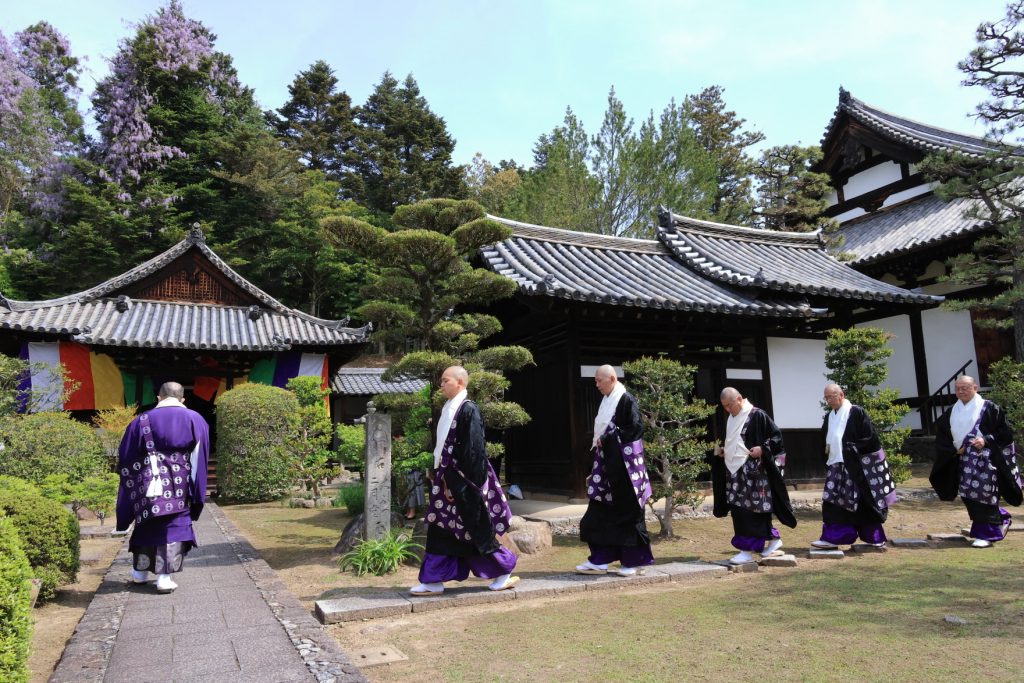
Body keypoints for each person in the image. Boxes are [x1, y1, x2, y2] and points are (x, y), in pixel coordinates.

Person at [410, 366, 519, 596]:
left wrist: (466, 486)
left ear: (459, 383)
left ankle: (504, 570)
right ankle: (432, 580)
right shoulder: (450, 408)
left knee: (476, 528)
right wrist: (438, 472)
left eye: (445, 380)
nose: (441, 384)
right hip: (448, 480)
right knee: (442, 529)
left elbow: (474, 451)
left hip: (464, 483)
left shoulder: (468, 409)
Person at [115, 382, 209, 594]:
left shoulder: (140, 421)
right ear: (182, 399)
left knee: (145, 522)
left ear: (158, 397)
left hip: (147, 484)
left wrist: (131, 494)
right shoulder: (195, 419)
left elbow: (127, 459)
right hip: (178, 485)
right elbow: (199, 459)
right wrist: (196, 495)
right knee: (173, 526)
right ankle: (164, 578)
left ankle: (139, 573)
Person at [575, 365, 654, 577]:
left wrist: (609, 437)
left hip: (625, 469)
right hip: (606, 466)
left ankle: (633, 562)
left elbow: (635, 429)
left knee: (628, 514)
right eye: (596, 381)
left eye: (599, 381)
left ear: (611, 378)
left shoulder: (626, 399)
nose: (597, 385)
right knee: (598, 512)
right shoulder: (607, 400)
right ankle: (599, 560)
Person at [931, 375, 1022, 548]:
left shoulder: (989, 408)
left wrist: (986, 440)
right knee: (968, 494)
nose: (960, 391)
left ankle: (987, 534)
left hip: (985, 460)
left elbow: (1004, 433)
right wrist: (954, 450)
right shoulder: (952, 412)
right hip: (963, 460)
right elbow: (942, 436)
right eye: (957, 388)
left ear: (975, 388)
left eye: (964, 387)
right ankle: (999, 518)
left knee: (984, 494)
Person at [710, 387, 795, 565]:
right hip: (735, 472)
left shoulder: (757, 415)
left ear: (739, 399)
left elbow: (776, 437)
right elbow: (735, 442)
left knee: (752, 510)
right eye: (724, 406)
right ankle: (772, 540)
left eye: (729, 405)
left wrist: (763, 449)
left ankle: (747, 551)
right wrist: (725, 452)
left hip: (754, 473)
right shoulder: (731, 419)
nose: (727, 409)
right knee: (740, 510)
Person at [811, 383, 896, 550]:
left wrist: (852, 448)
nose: (828, 400)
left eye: (831, 396)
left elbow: (869, 438)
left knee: (864, 501)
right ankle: (832, 538)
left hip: (857, 467)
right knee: (833, 501)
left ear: (841, 395)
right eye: (826, 397)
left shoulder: (856, 412)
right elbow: (824, 440)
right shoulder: (830, 416)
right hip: (836, 466)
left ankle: (874, 537)